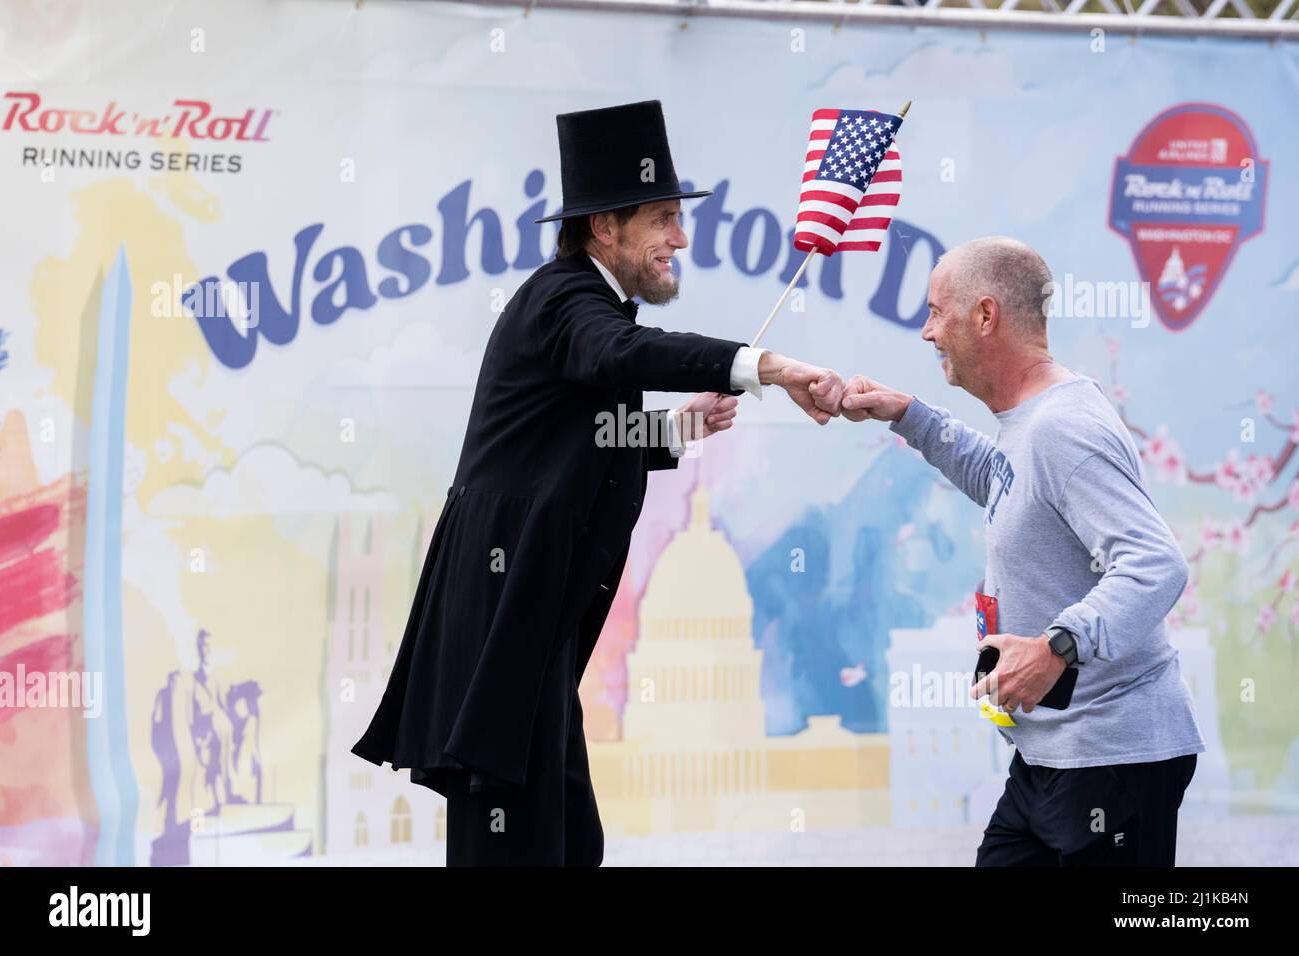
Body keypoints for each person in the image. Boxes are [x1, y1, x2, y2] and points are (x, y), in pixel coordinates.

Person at [351, 99, 843, 866]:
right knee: (516, 840)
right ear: (605, 228)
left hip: (528, 620)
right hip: (503, 617)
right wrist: (766, 367)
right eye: (663, 218)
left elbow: (574, 437)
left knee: (572, 843)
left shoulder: (577, 309)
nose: (680, 237)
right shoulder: (566, 302)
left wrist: (677, 430)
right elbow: (617, 356)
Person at [828, 236, 1205, 866]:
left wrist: (1058, 646)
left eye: (935, 312)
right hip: (1049, 758)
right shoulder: (1034, 419)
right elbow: (1001, 480)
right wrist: (907, 414)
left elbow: (1156, 564)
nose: (926, 333)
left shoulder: (1064, 429)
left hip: (1112, 760)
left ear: (984, 316)